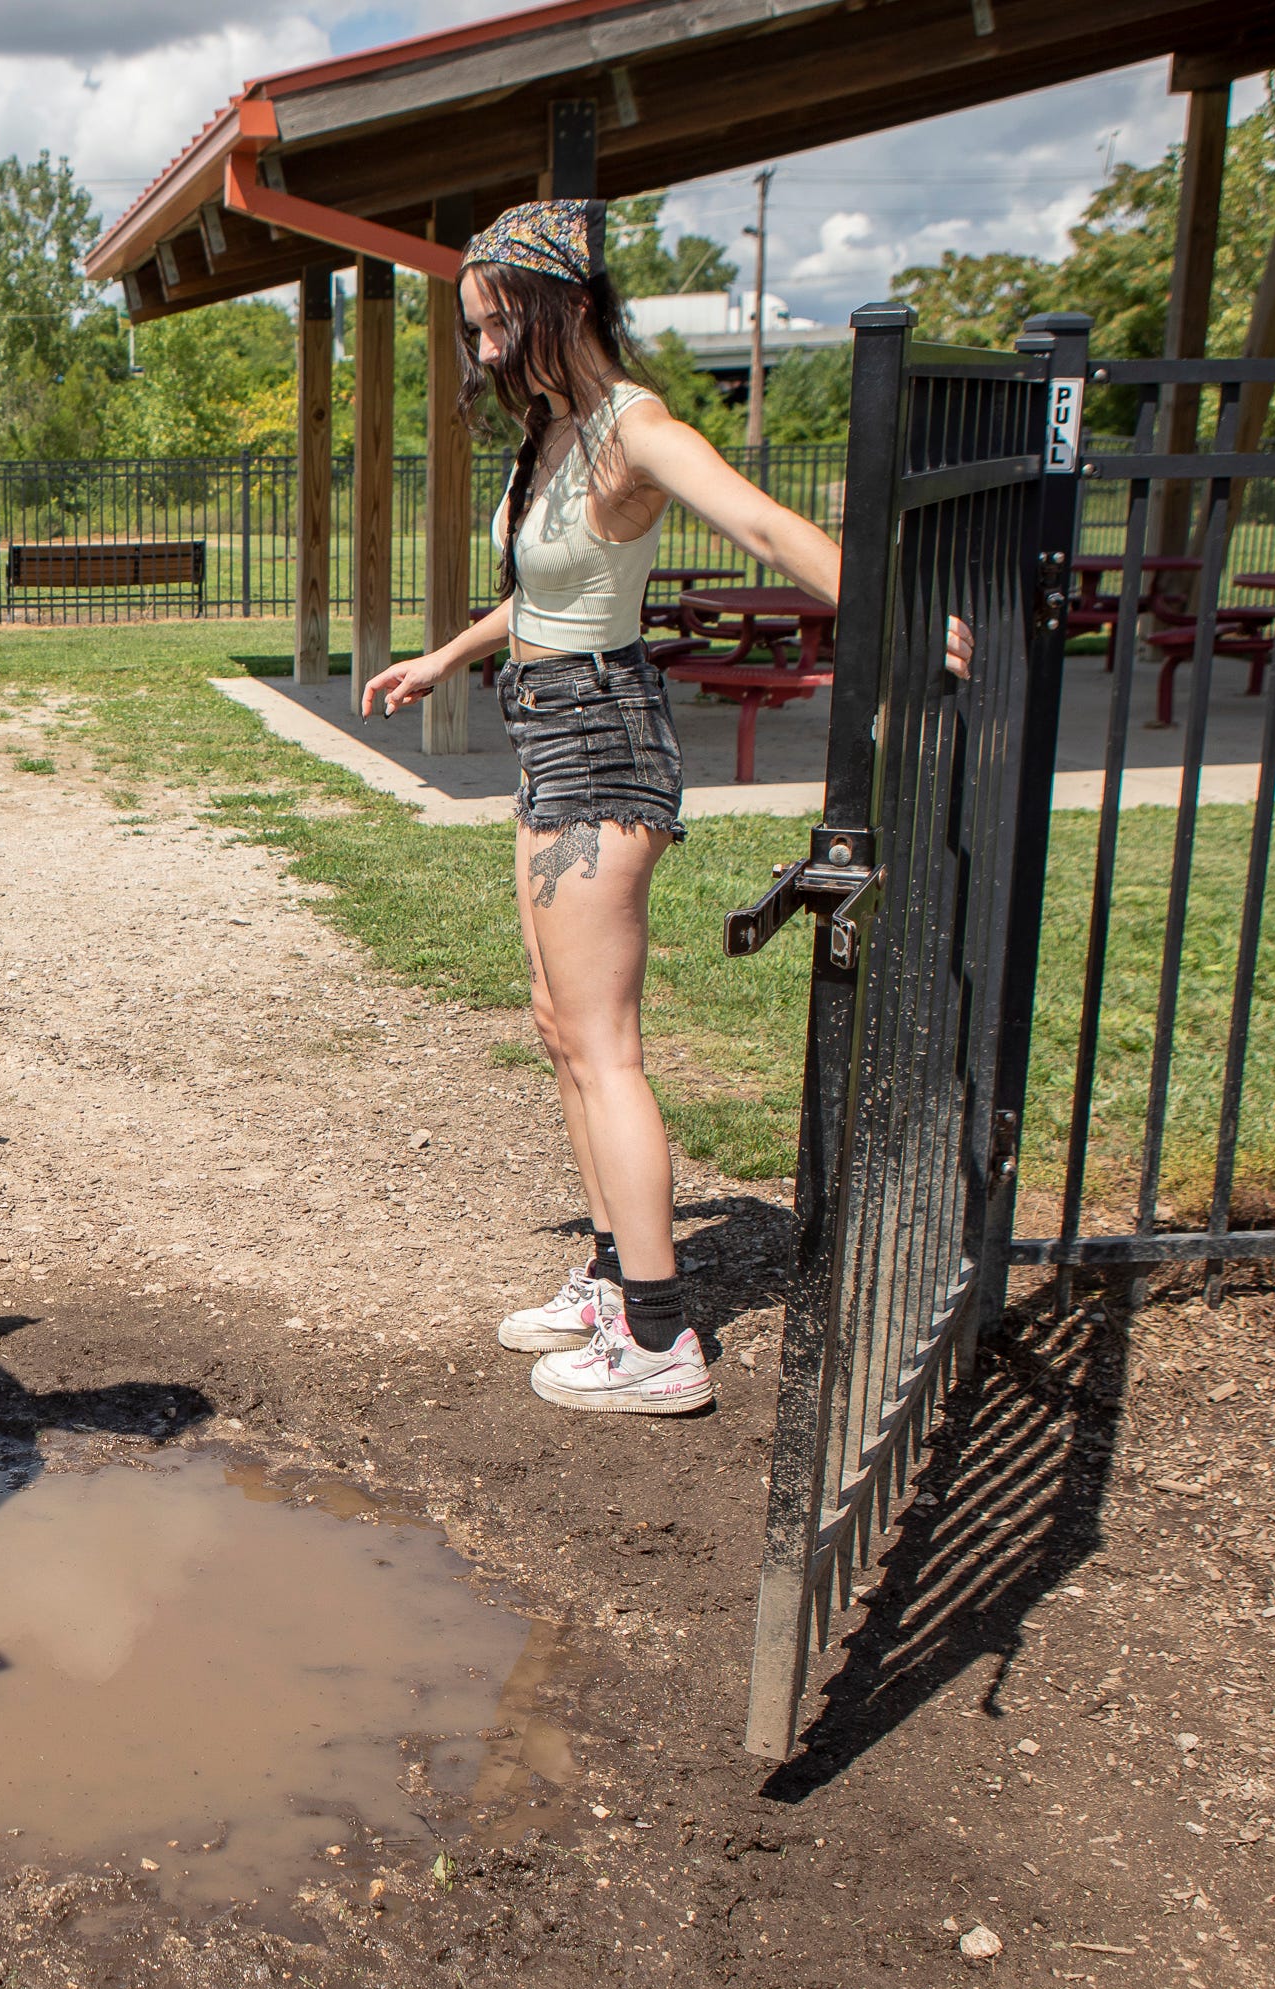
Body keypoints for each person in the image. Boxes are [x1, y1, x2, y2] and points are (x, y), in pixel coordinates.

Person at [360, 200, 965, 1419]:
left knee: (602, 1041)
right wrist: (451, 654)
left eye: (492, 327)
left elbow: (754, 518)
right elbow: (549, 591)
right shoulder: (559, 430)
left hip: (600, 741)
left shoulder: (637, 427)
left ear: (564, 306)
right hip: (551, 729)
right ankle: (605, 1276)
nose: (481, 351)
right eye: (472, 329)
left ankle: (657, 1335)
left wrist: (888, 618)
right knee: (556, 1022)